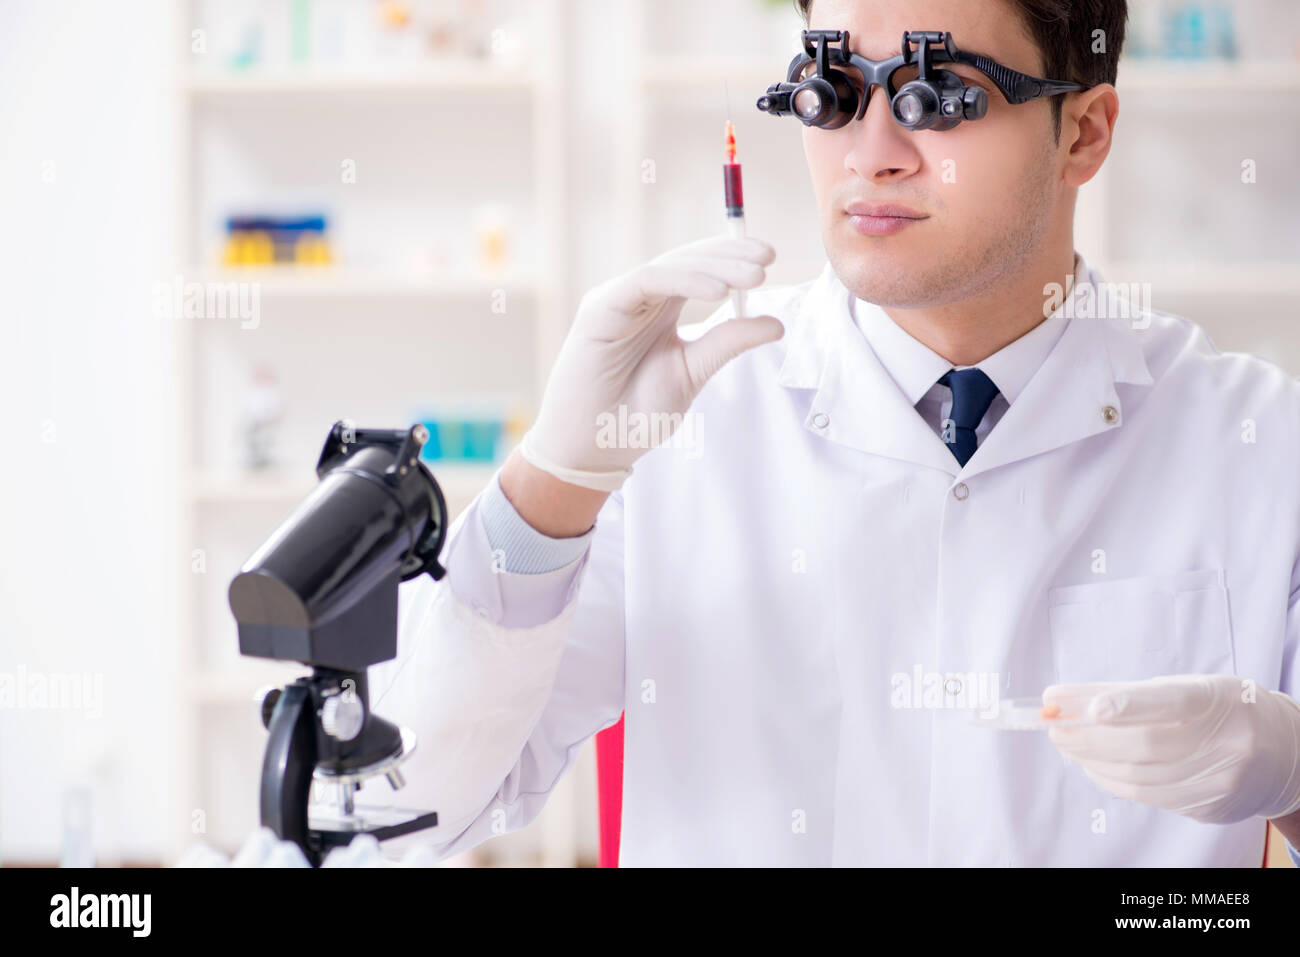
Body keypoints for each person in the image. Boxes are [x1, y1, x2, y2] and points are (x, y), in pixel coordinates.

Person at [373, 0, 1300, 865]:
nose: (872, 151)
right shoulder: (678, 425)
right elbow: (406, 806)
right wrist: (551, 487)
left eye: (942, 95)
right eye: (836, 87)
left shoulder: (1257, 442)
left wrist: (1293, 779)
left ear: (1085, 132)